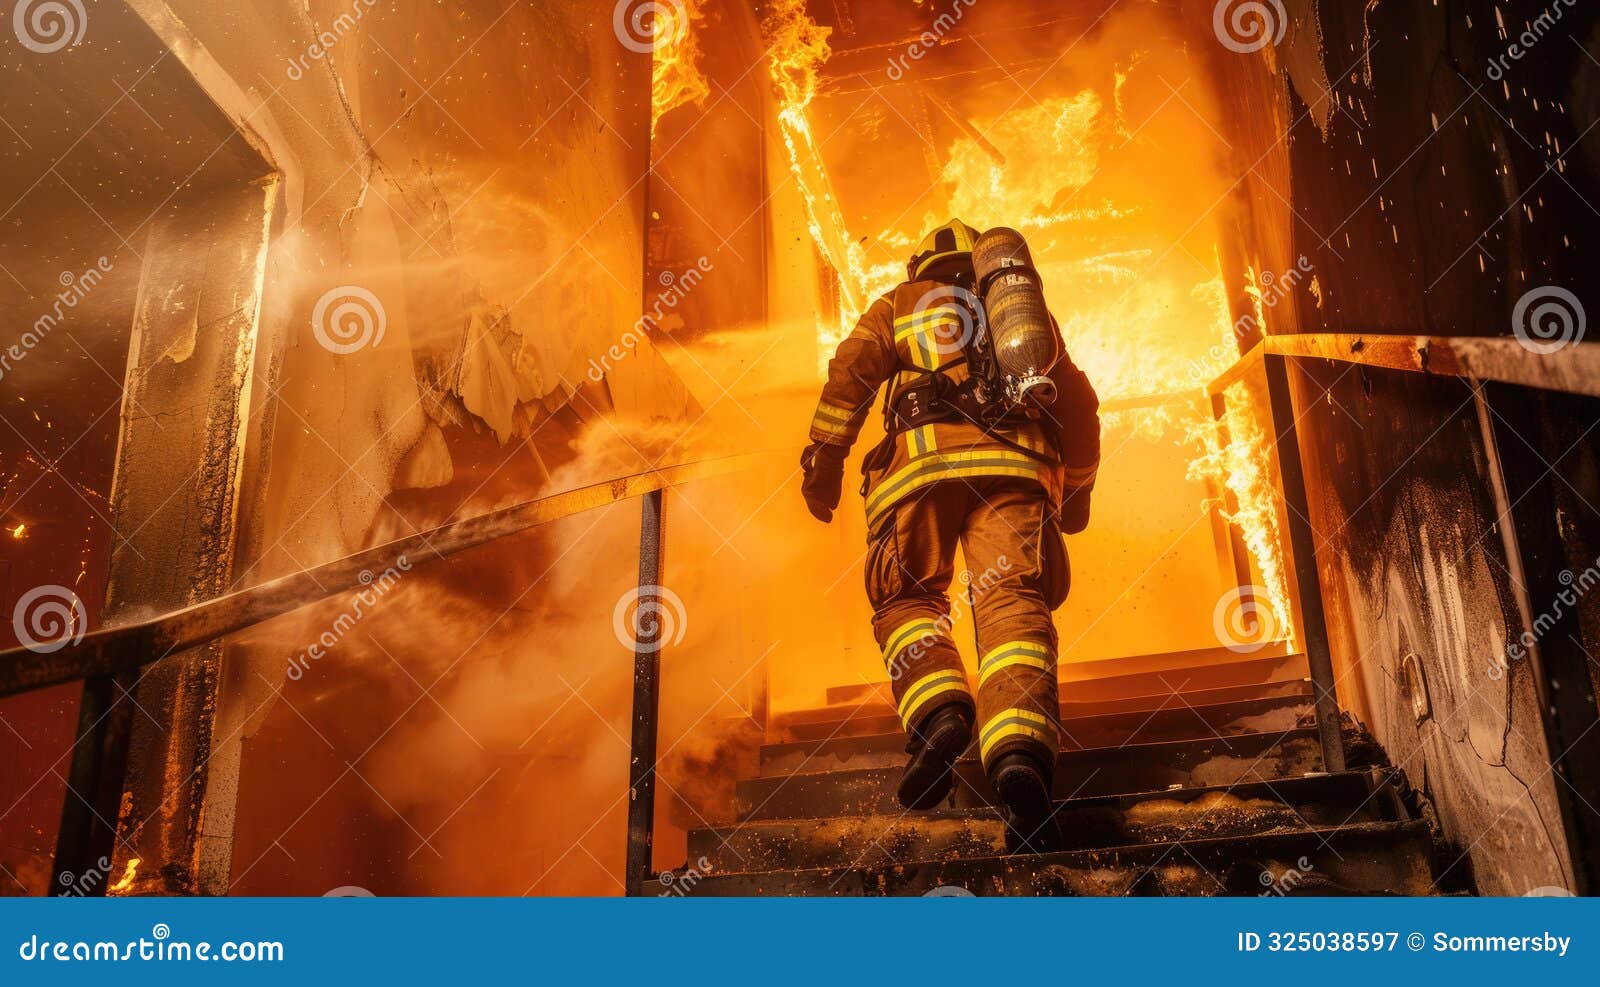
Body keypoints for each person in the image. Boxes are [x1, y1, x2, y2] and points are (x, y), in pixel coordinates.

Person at [799, 219, 1100, 852]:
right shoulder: (1023, 318)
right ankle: (1018, 754)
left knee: (907, 598)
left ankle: (939, 713)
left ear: (921, 266)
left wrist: (824, 461)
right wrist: (1078, 495)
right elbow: (1079, 404)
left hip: (921, 471)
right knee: (1011, 603)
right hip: (1016, 471)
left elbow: (851, 374)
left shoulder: (899, 305)